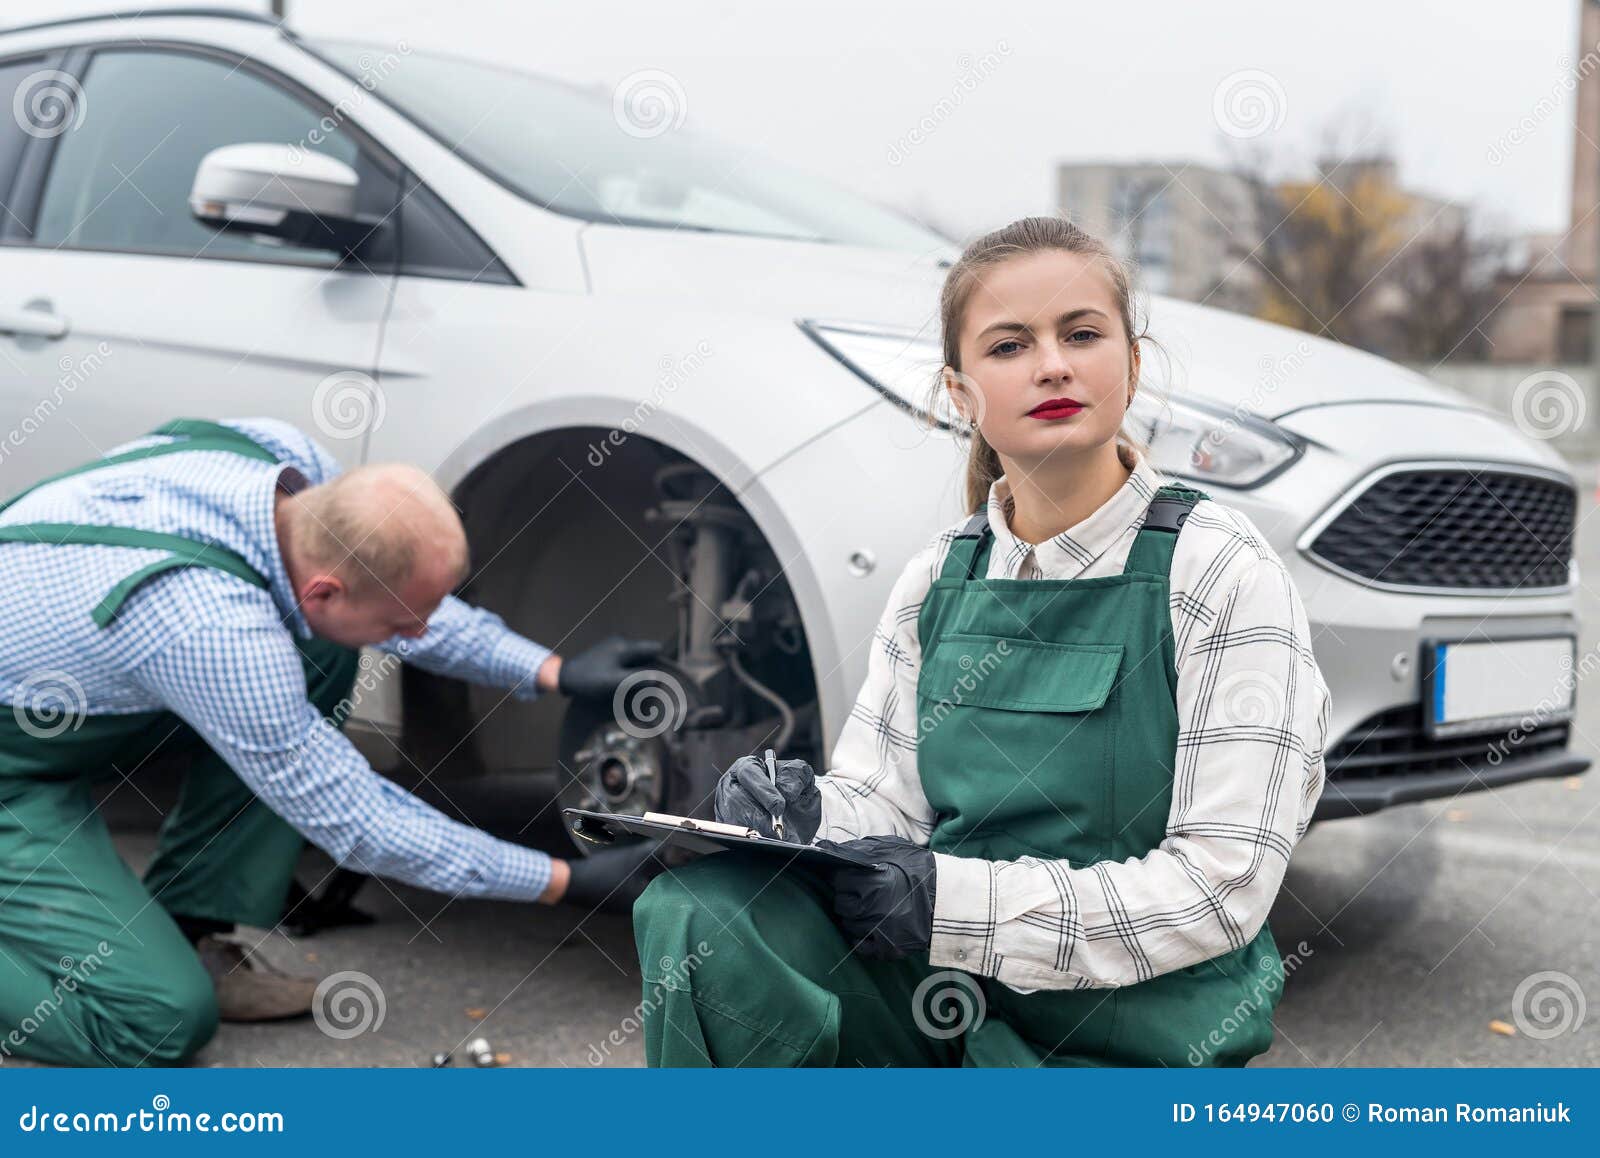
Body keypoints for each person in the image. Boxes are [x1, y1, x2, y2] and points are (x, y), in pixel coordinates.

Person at [632, 216, 1331, 1067]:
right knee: (699, 912)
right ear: (960, 395)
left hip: (1134, 1041)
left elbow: (1220, 886)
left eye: (1081, 334)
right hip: (941, 1000)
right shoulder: (937, 579)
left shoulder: (1220, 573)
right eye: (1009, 346)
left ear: (1133, 364)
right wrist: (807, 813)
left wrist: (951, 902)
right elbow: (888, 803)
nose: (1052, 365)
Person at [0, 417, 662, 1067]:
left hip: (58, 692)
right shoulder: (210, 626)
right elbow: (359, 821)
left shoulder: (283, 463)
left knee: (331, 649)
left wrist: (552, 671)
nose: (419, 635)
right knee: (159, 1018)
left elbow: (394, 590)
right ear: (323, 590)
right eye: (406, 628)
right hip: (15, 762)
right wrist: (560, 880)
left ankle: (188, 927)